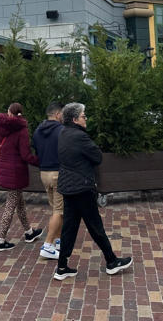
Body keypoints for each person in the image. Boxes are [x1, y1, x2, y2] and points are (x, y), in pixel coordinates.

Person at [54, 102, 132, 280]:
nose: (85, 118)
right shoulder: (79, 136)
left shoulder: (63, 133)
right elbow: (97, 156)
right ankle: (112, 262)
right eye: (83, 116)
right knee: (95, 225)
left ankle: (62, 267)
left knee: (69, 227)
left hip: (68, 187)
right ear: (74, 119)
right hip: (82, 187)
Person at [0, 102, 43, 251]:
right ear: (20, 114)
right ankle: (0, 240)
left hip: (4, 169)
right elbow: (26, 155)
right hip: (16, 173)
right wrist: (41, 161)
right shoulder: (22, 130)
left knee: (19, 203)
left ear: (8, 112)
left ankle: (29, 233)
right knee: (10, 205)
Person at [32, 102, 64, 260]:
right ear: (58, 114)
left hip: (44, 173)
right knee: (59, 211)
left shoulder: (37, 131)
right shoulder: (61, 131)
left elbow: (37, 152)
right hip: (58, 173)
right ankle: (48, 245)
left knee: (56, 210)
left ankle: (58, 241)